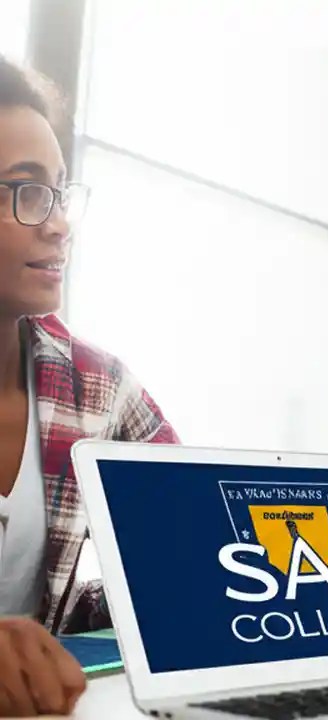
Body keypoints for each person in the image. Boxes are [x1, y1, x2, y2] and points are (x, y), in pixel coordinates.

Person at [0, 56, 179, 716]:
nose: (58, 223)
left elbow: (190, 552)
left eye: (58, 191)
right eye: (24, 191)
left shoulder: (94, 385)